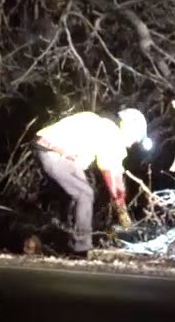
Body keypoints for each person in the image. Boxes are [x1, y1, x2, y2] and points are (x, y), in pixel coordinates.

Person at [33, 108, 153, 255]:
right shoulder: (109, 130)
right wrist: (120, 209)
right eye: (136, 137)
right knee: (85, 194)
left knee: (79, 195)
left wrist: (122, 204)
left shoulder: (108, 128)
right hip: (52, 151)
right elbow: (108, 171)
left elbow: (116, 171)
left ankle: (60, 239)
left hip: (62, 155)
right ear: (128, 127)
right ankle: (82, 249)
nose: (134, 142)